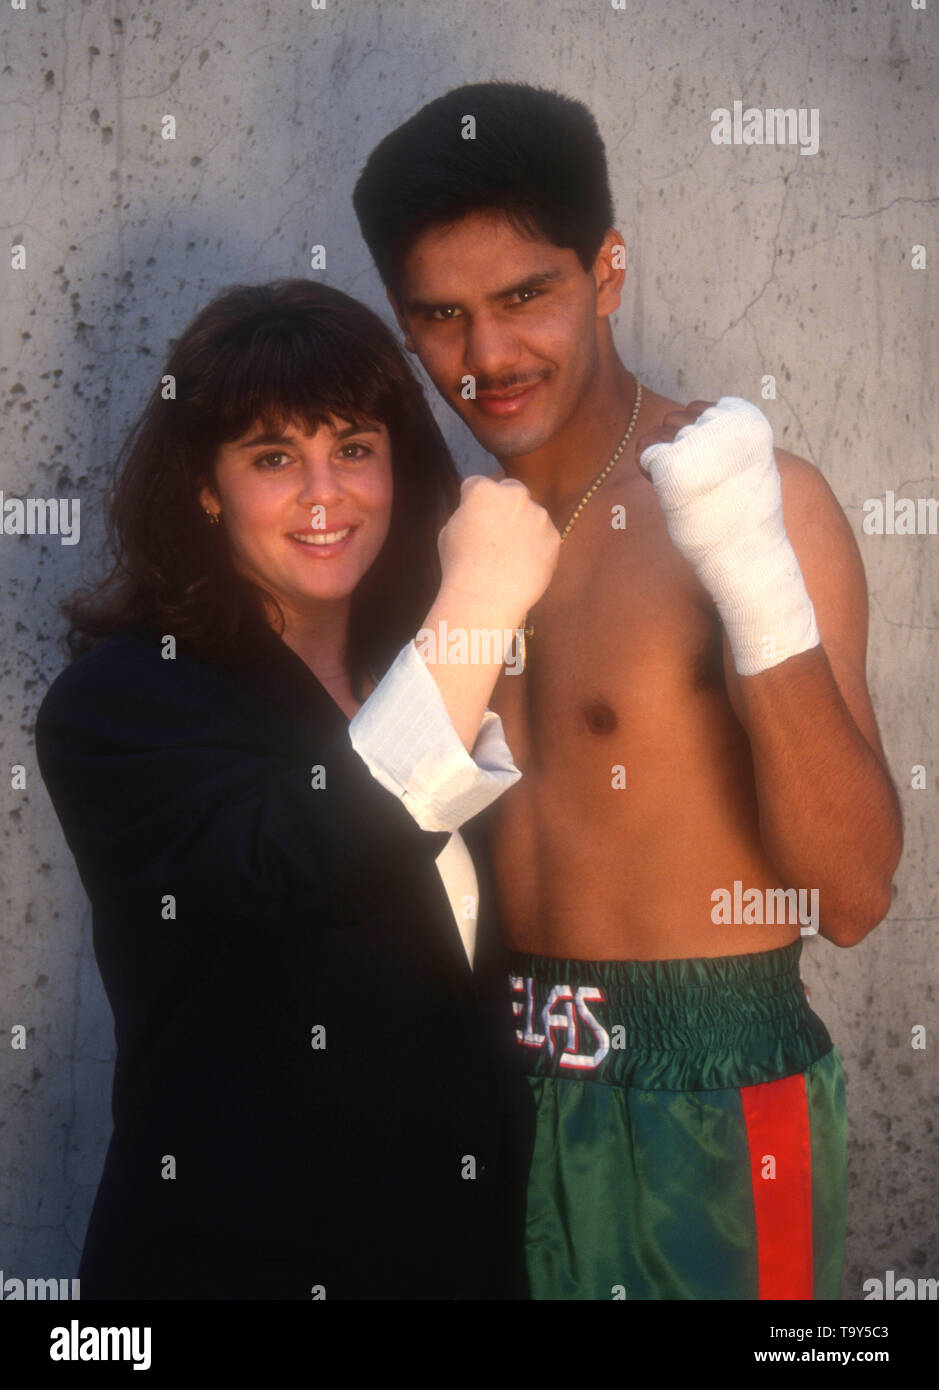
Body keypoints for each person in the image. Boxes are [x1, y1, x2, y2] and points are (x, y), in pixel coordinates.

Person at [352, 82, 904, 1300]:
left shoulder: (753, 505)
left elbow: (856, 894)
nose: (486, 356)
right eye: (441, 316)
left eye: (525, 297)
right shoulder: (440, 550)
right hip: (490, 1088)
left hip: (705, 1098)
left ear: (606, 272)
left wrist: (750, 579)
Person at [34, 278, 560, 1299]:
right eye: (275, 458)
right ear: (205, 483)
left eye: (354, 447)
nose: (326, 493)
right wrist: (483, 597)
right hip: (234, 1266)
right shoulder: (119, 704)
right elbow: (305, 859)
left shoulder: (430, 668)